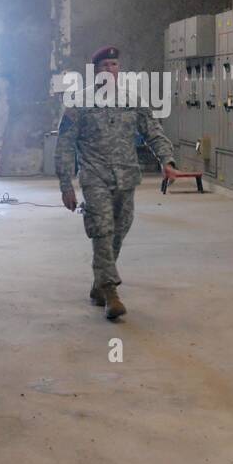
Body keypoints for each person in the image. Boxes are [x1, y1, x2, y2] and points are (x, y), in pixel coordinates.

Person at [55, 46, 177, 320]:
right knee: (102, 229)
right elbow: (64, 146)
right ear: (95, 71)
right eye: (104, 66)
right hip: (94, 176)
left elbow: (153, 132)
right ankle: (111, 292)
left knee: (119, 231)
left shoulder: (132, 99)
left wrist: (166, 161)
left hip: (126, 177)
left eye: (113, 64)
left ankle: (99, 284)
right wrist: (66, 184)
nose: (109, 69)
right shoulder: (79, 103)